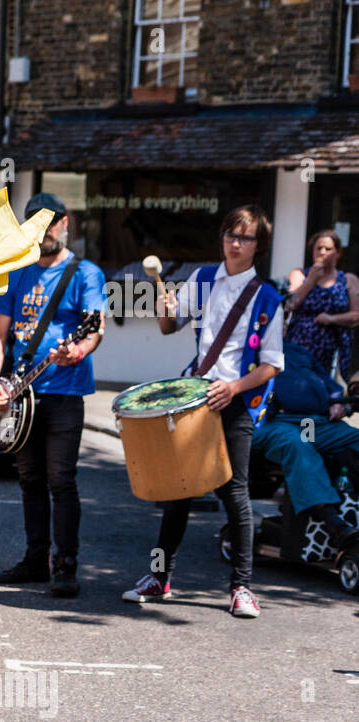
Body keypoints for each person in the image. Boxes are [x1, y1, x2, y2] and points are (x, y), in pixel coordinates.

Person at [123, 205, 283, 618]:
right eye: (231, 234)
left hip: (237, 402)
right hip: (195, 399)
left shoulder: (268, 297)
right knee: (178, 491)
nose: (235, 243)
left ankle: (242, 587)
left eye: (245, 238)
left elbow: (271, 365)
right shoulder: (203, 279)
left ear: (257, 246)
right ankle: (159, 577)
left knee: (235, 493)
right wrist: (163, 301)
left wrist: (234, 387)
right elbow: (168, 326)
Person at [0, 192, 107, 598]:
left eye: (51, 222)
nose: (46, 230)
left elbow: (95, 328)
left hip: (64, 393)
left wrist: (79, 351)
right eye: (36, 223)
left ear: (65, 223)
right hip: (22, 393)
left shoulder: (85, 273)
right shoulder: (16, 274)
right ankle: (35, 560)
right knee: (29, 479)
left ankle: (65, 566)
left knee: (61, 480)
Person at [250, 341, 359, 548]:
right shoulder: (240, 351)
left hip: (311, 422)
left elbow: (331, 385)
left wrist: (338, 402)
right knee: (299, 444)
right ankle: (333, 523)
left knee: (353, 439)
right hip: (270, 422)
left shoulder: (298, 351)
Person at [284, 229, 359, 376]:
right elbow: (290, 304)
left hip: (333, 349)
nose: (322, 252)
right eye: (318, 248)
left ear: (338, 253)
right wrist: (310, 281)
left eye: (328, 249)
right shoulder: (299, 275)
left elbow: (356, 315)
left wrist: (332, 319)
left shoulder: (348, 279)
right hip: (300, 345)